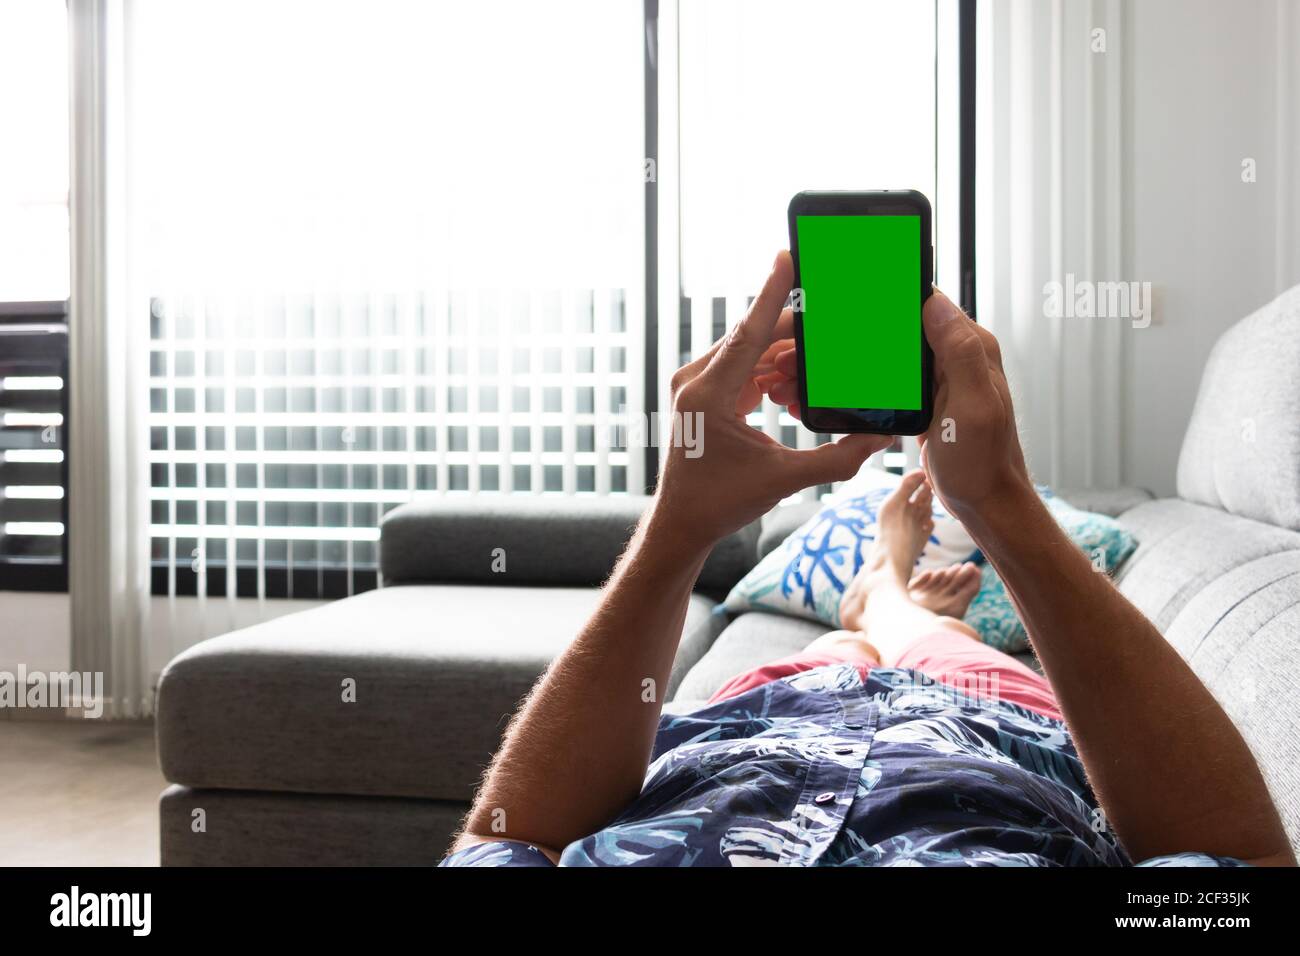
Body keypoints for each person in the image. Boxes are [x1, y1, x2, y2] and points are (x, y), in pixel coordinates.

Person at [440, 251, 1294, 867]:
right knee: (930, 642)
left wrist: (679, 526)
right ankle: (897, 597)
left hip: (750, 729)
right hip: (986, 732)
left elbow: (507, 840)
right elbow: (1238, 872)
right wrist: (997, 503)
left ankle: (877, 597)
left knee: (834, 653)